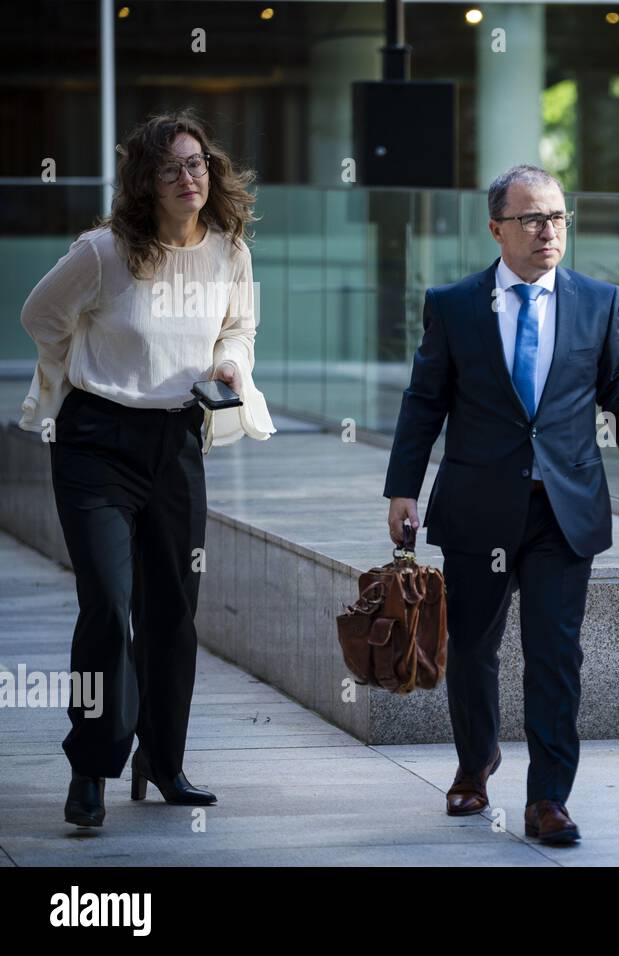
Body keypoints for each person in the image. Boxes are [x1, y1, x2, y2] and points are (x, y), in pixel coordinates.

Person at [384, 164, 619, 844]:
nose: (549, 231)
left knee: (555, 653)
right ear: (497, 229)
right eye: (533, 219)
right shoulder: (453, 305)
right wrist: (402, 487)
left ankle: (548, 800)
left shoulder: (597, 301)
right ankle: (474, 766)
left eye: (559, 217)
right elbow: (426, 401)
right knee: (474, 647)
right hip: (479, 506)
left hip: (564, 510)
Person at [18, 110, 277, 827]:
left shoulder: (230, 253)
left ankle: (163, 762)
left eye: (196, 163)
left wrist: (231, 364)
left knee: (171, 614)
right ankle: (94, 764)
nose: (188, 177)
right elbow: (40, 315)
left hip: (177, 444)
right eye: (171, 168)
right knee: (107, 604)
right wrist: (86, 365)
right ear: (145, 183)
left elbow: (239, 327)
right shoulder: (103, 253)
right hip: (96, 443)